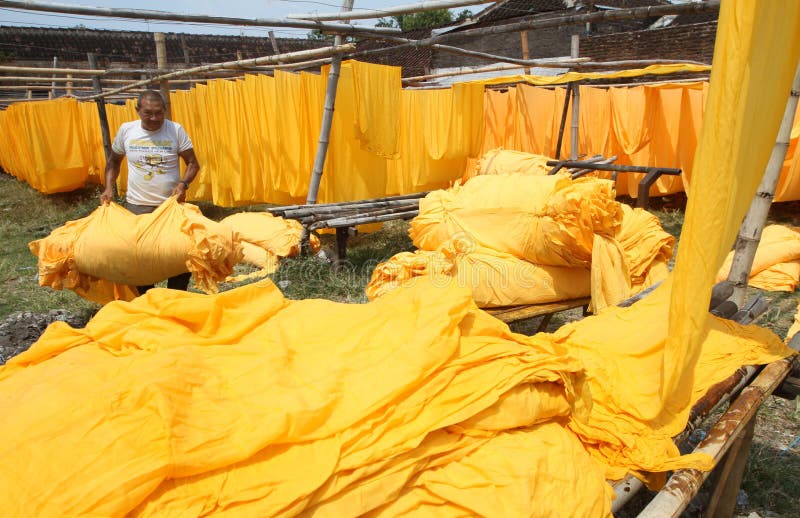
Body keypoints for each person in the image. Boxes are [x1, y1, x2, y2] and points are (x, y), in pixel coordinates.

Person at [99, 90, 200, 292]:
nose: (154, 118)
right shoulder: (127, 131)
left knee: (179, 253)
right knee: (139, 256)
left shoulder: (175, 130)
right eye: (148, 113)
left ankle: (175, 297)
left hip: (171, 206)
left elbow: (193, 164)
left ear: (165, 110)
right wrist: (109, 188)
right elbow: (113, 162)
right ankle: (147, 299)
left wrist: (183, 184)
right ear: (138, 111)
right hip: (138, 206)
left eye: (158, 113)